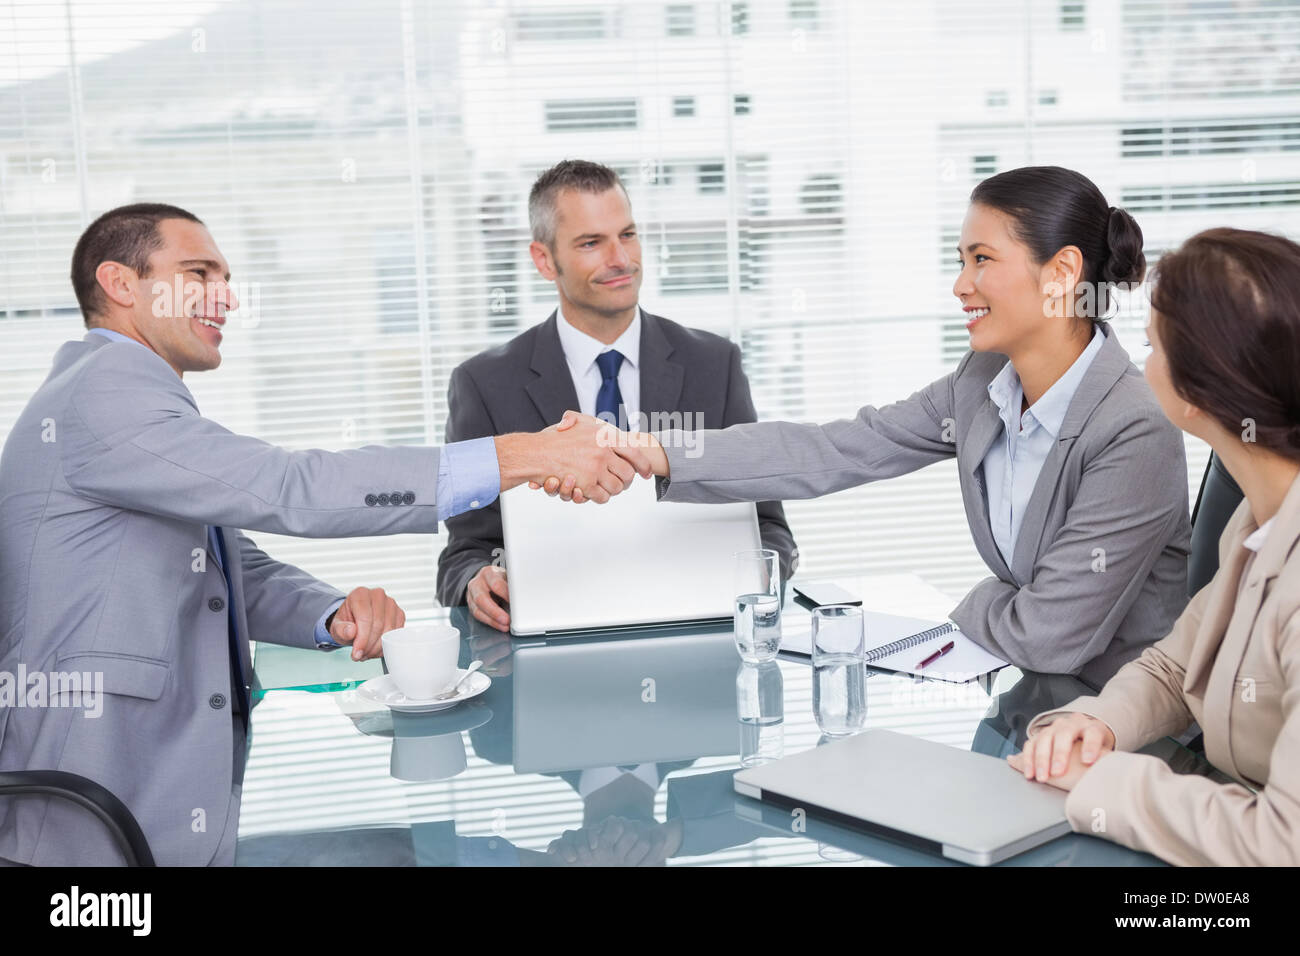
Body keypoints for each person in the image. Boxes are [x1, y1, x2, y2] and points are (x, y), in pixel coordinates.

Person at [0, 203, 638, 866]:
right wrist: (521, 456)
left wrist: (325, 611)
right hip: (93, 818)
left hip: (150, 797)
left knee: (389, 851)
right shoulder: (107, 389)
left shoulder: (119, 395)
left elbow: (217, 559)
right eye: (199, 272)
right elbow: (287, 487)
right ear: (122, 284)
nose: (228, 297)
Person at [557, 166, 1192, 689]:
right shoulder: (981, 383)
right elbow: (834, 449)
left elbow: (1050, 636)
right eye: (960, 259)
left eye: (981, 259)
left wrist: (974, 605)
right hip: (1026, 700)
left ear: (1060, 275)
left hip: (1119, 729)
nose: (960, 284)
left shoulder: (1133, 426)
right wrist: (652, 449)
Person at [1009, 227, 1300, 866]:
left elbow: (1284, 844)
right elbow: (1176, 665)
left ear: (1199, 392)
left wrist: (1105, 784)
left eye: (1152, 346)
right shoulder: (1259, 515)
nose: (1140, 367)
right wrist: (1101, 722)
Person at [436, 160, 798, 631]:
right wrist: (474, 581)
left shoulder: (715, 365)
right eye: (591, 243)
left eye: (627, 234)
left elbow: (770, 529)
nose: (621, 259)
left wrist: (762, 581)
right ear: (545, 260)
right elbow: (464, 552)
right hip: (557, 644)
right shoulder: (484, 384)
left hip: (697, 633)